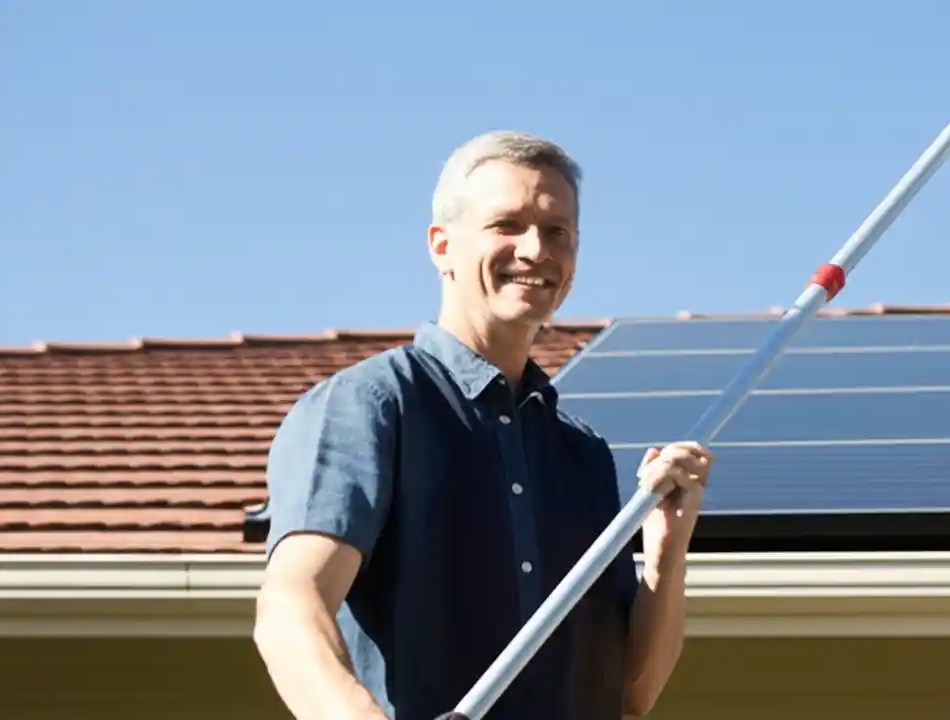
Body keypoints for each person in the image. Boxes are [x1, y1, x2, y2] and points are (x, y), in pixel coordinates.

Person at [252, 130, 713, 720]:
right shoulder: (372, 406)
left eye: (557, 232)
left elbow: (631, 694)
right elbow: (292, 609)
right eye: (507, 225)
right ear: (441, 246)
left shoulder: (582, 454)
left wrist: (666, 551)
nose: (535, 250)